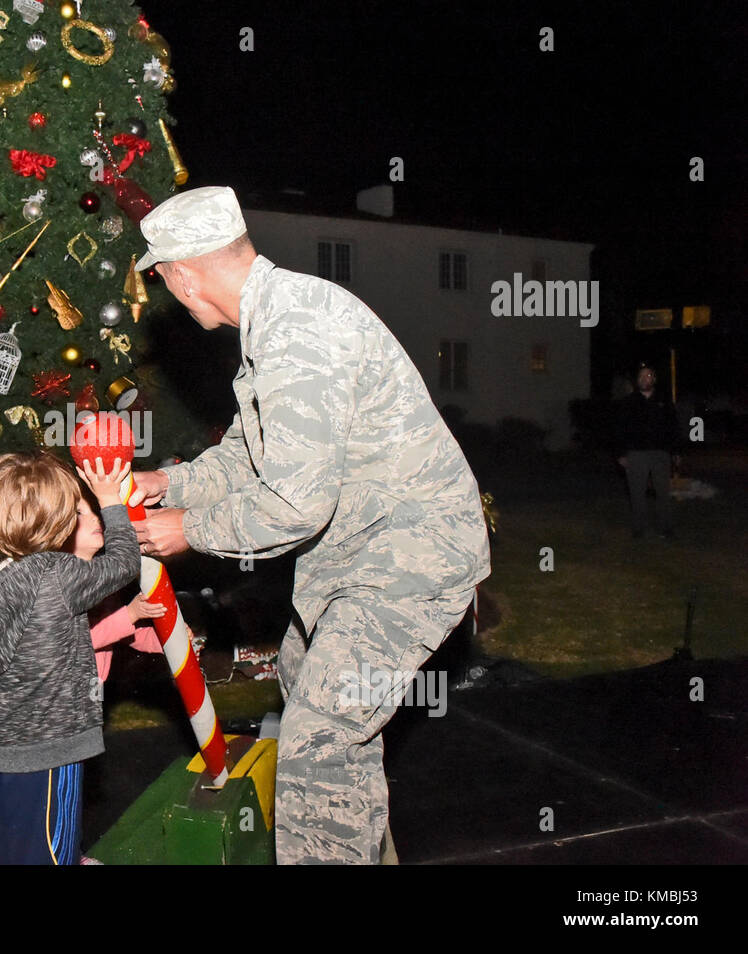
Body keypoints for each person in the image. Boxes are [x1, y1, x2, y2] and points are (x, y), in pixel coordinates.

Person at [128, 186, 491, 864]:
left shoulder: (299, 332)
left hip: (409, 556)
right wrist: (170, 484)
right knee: (309, 691)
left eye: (164, 279)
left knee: (319, 737)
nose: (169, 294)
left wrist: (189, 530)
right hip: (357, 554)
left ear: (183, 274)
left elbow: (295, 506)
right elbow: (247, 454)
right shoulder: (275, 321)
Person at [0, 451, 138, 865]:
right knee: (52, 850)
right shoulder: (57, 574)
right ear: (63, 521)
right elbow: (124, 564)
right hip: (50, 751)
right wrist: (110, 501)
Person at [68, 486, 166, 682]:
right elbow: (76, 640)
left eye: (96, 510)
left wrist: (166, 640)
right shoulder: (61, 581)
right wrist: (131, 614)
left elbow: (122, 632)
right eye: (79, 512)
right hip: (61, 694)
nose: (96, 518)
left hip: (91, 689)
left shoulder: (103, 577)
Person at [616, 364, 681, 539]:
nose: (645, 379)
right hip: (637, 454)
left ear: (654, 379)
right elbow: (621, 429)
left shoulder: (664, 402)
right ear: (637, 381)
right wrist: (622, 454)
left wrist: (675, 451)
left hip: (660, 454)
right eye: (641, 377)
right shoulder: (629, 402)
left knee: (662, 493)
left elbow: (673, 427)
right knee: (637, 493)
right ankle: (638, 529)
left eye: (648, 376)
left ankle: (666, 528)